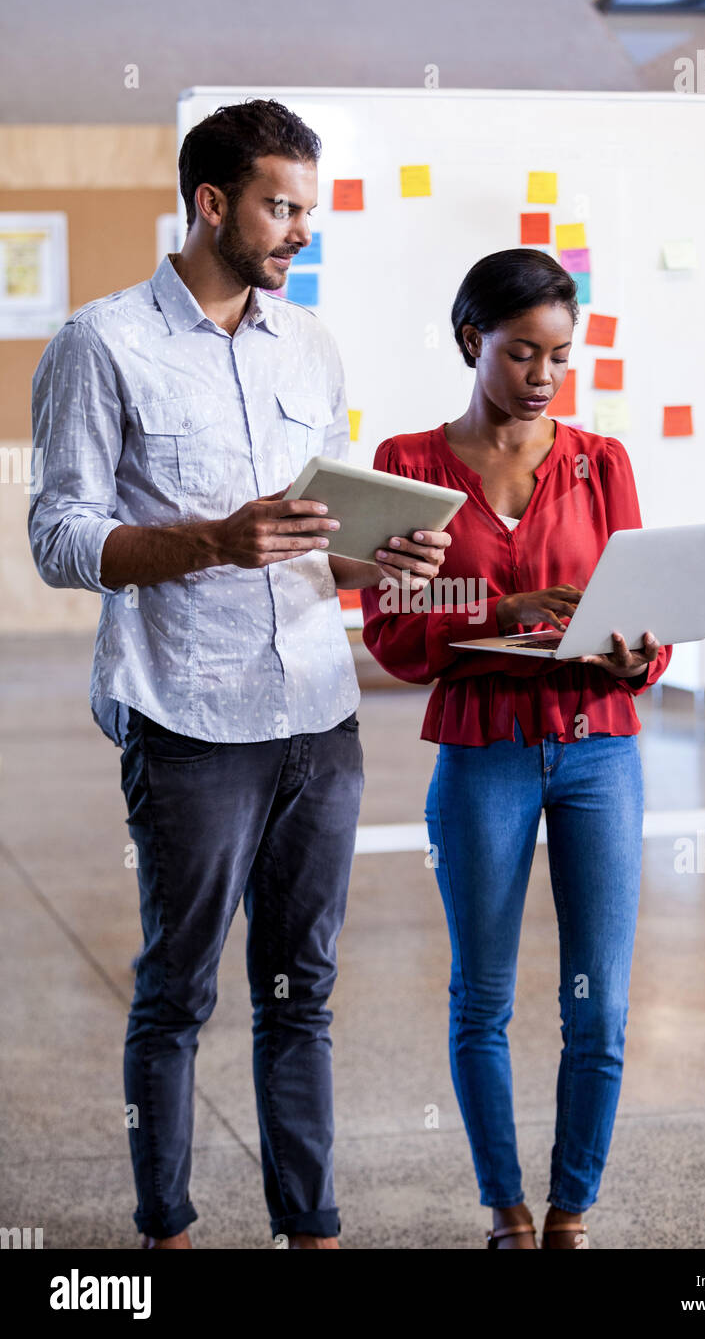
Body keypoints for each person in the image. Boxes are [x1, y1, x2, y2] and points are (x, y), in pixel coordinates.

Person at [28, 100, 450, 1250]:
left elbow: (312, 540)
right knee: (178, 991)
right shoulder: (100, 342)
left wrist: (384, 559)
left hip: (320, 710)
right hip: (190, 715)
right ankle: (164, 1231)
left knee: (298, 992)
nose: (298, 230)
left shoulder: (308, 346)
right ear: (210, 201)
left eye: (307, 208)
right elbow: (60, 538)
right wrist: (212, 539)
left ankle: (305, 1228)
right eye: (279, 205)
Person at [361, 248, 672, 1249]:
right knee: (481, 997)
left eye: (558, 357)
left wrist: (633, 652)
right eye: (520, 353)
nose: (542, 377)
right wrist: (503, 609)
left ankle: (570, 1213)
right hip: (482, 752)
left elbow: (646, 629)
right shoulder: (408, 467)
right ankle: (504, 1207)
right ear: (470, 342)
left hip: (598, 751)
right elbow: (397, 634)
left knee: (600, 1006)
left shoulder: (599, 463)